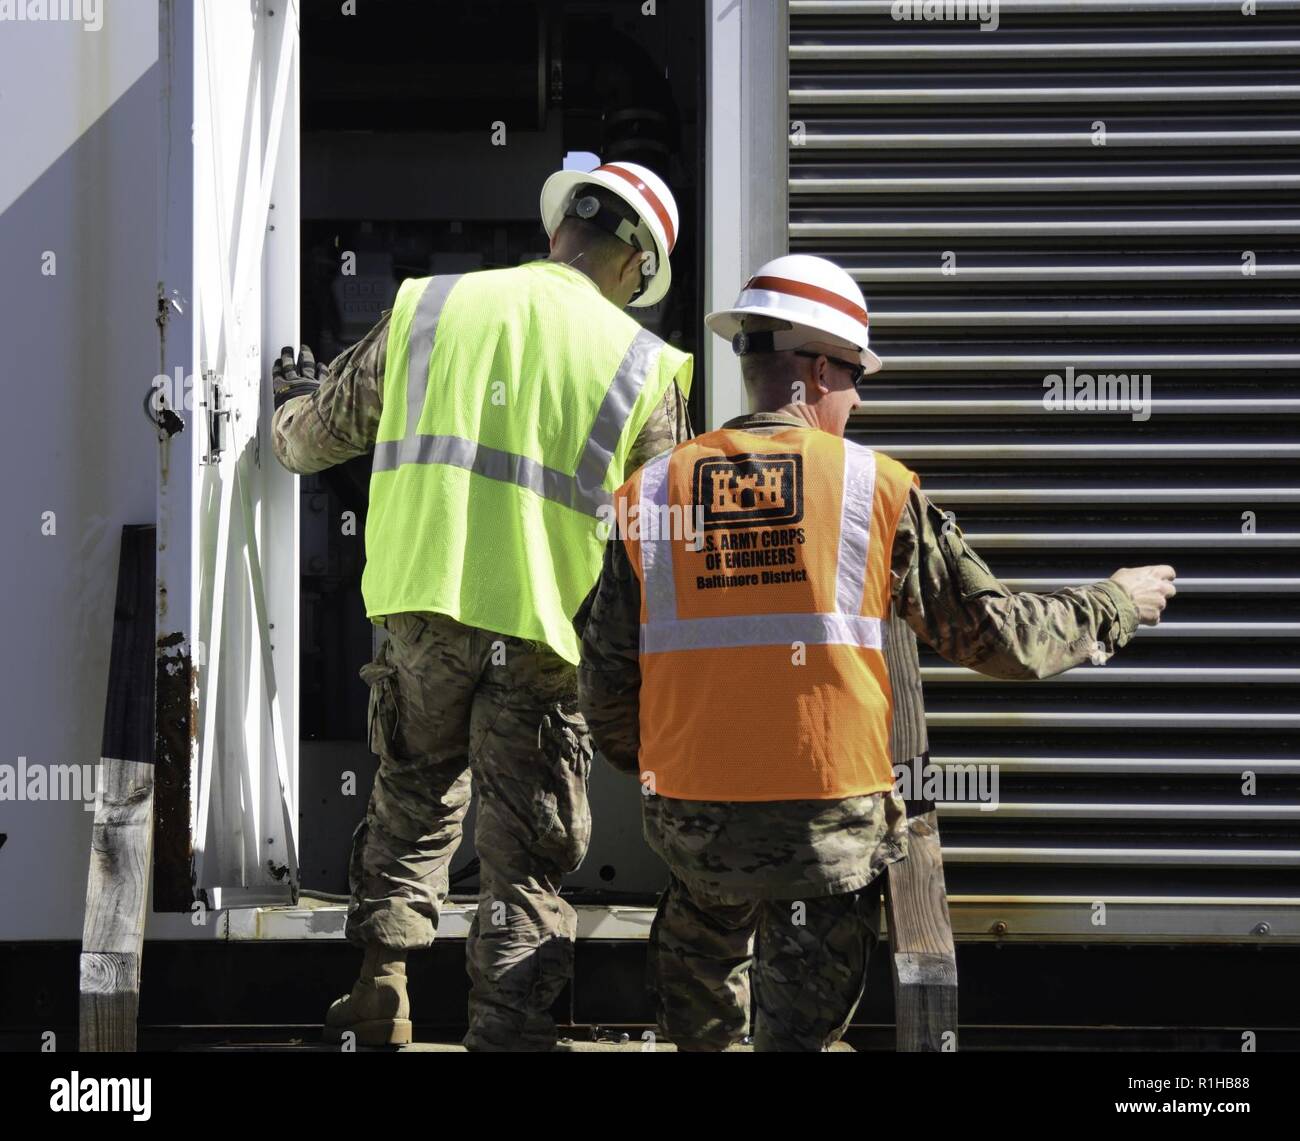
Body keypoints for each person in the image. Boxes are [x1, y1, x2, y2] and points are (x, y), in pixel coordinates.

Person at [577, 253, 1176, 1052]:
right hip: (828, 834)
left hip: (696, 828)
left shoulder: (653, 493)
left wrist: (661, 769)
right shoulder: (874, 488)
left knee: (702, 1023)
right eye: (858, 376)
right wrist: (1113, 604)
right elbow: (998, 640)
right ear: (821, 369)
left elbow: (605, 677)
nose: (858, 398)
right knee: (802, 1032)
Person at [270, 162, 694, 1050]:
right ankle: (508, 1026)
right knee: (527, 844)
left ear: (559, 232)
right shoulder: (644, 367)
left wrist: (280, 416)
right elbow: (665, 538)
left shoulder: (434, 306)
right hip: (545, 627)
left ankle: (382, 989)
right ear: (635, 266)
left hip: (422, 606)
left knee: (413, 792)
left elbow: (316, 439)